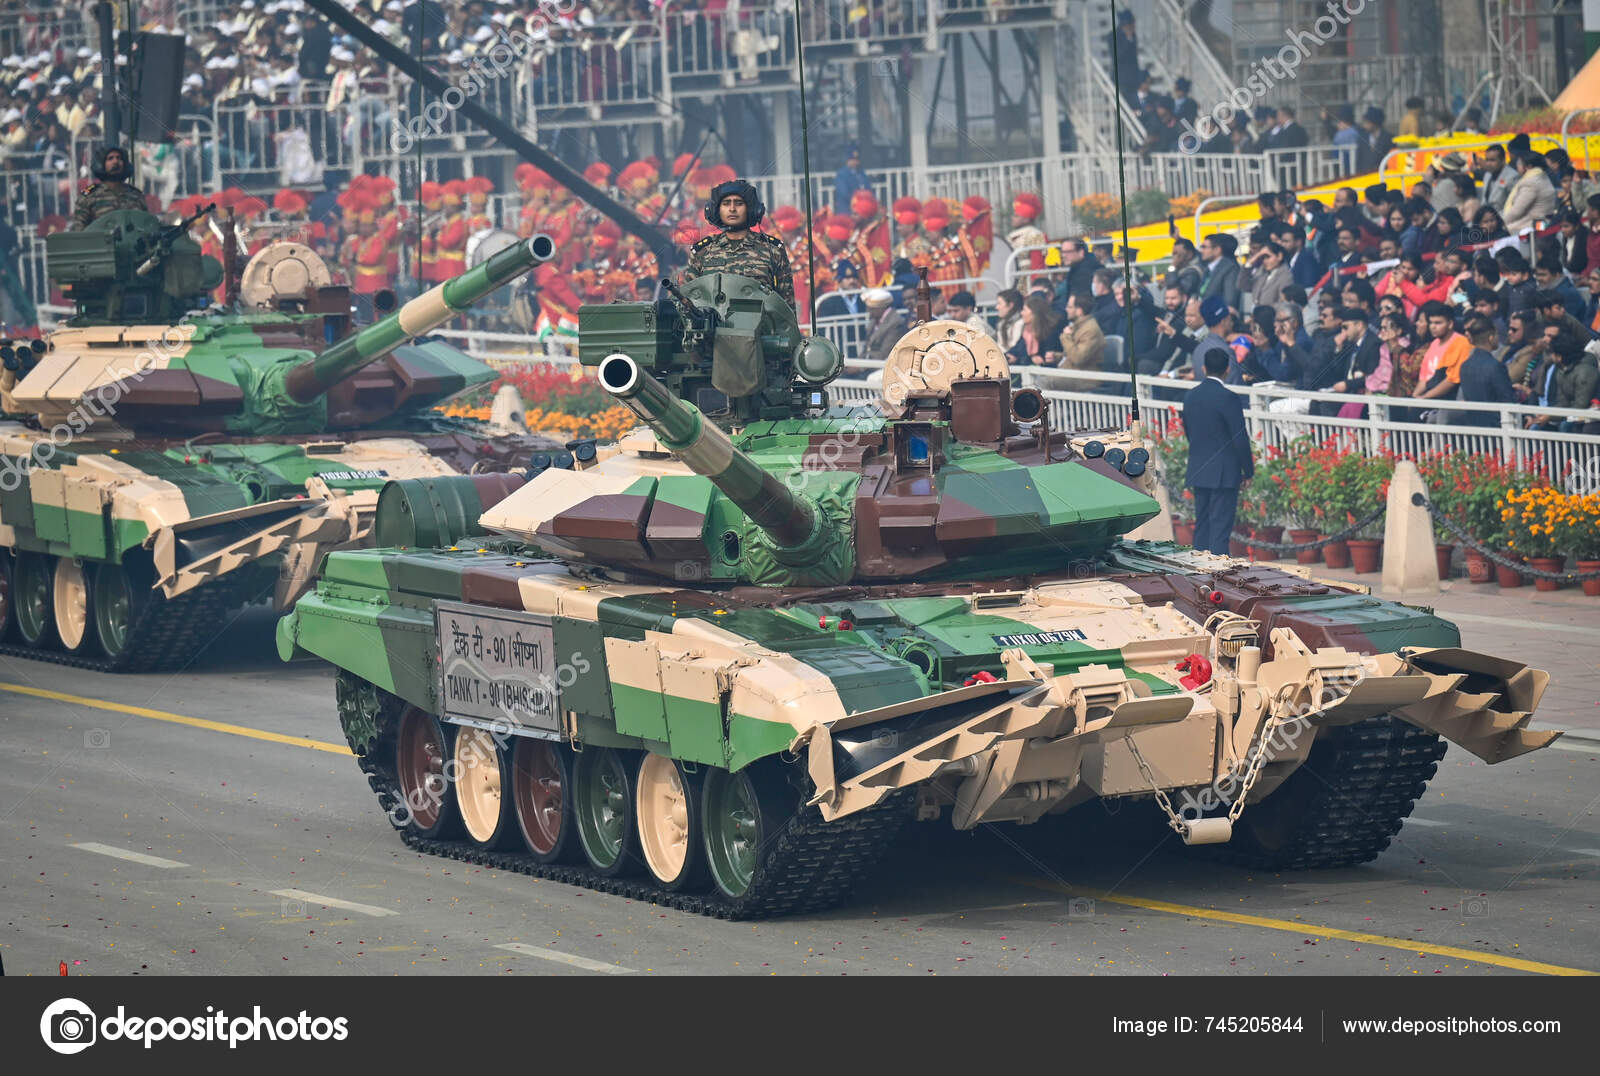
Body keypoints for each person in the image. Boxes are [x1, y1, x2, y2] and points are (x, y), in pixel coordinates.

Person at [1183, 345, 1253, 556]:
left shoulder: (1190, 396)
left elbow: (1189, 431)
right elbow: (1239, 438)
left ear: (1204, 368)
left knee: (1202, 526)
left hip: (1199, 467)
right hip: (1225, 471)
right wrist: (1248, 470)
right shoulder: (1228, 397)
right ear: (1228, 370)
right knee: (1220, 529)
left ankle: (1198, 569)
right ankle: (1218, 570)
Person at [683, 177, 794, 308]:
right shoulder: (702, 251)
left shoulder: (772, 250)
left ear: (751, 209)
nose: (732, 209)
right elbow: (688, 301)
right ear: (716, 210)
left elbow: (786, 306)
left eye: (739, 203)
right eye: (726, 203)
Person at [70, 145, 146, 230]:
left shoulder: (136, 195)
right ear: (101, 164)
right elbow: (78, 228)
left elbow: (146, 224)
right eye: (110, 158)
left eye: (119, 158)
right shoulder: (89, 195)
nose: (115, 161)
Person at [1503, 151, 1559, 236]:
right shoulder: (1542, 177)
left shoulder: (1530, 183)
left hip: (1533, 226)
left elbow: (1516, 212)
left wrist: (1500, 223)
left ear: (1528, 166)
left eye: (1519, 164)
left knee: (1498, 232)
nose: (1517, 166)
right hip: (1543, 223)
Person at [1007, 293, 1066, 367]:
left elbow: (1046, 360)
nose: (1021, 313)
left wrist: (1019, 359)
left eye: (1024, 310)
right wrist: (1008, 356)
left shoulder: (1051, 333)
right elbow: (1016, 349)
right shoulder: (1027, 332)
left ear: (1034, 313)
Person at [862, 288, 907, 364]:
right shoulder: (873, 321)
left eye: (871, 309)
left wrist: (860, 367)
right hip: (869, 363)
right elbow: (865, 349)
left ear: (880, 308)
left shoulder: (895, 322)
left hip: (883, 365)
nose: (868, 311)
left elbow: (885, 353)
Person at [833, 143, 871, 213]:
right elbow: (844, 193)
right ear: (847, 160)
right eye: (852, 159)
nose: (855, 162)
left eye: (857, 159)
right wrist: (859, 200)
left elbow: (868, 189)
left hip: (862, 210)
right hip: (847, 210)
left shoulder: (861, 173)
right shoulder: (841, 175)